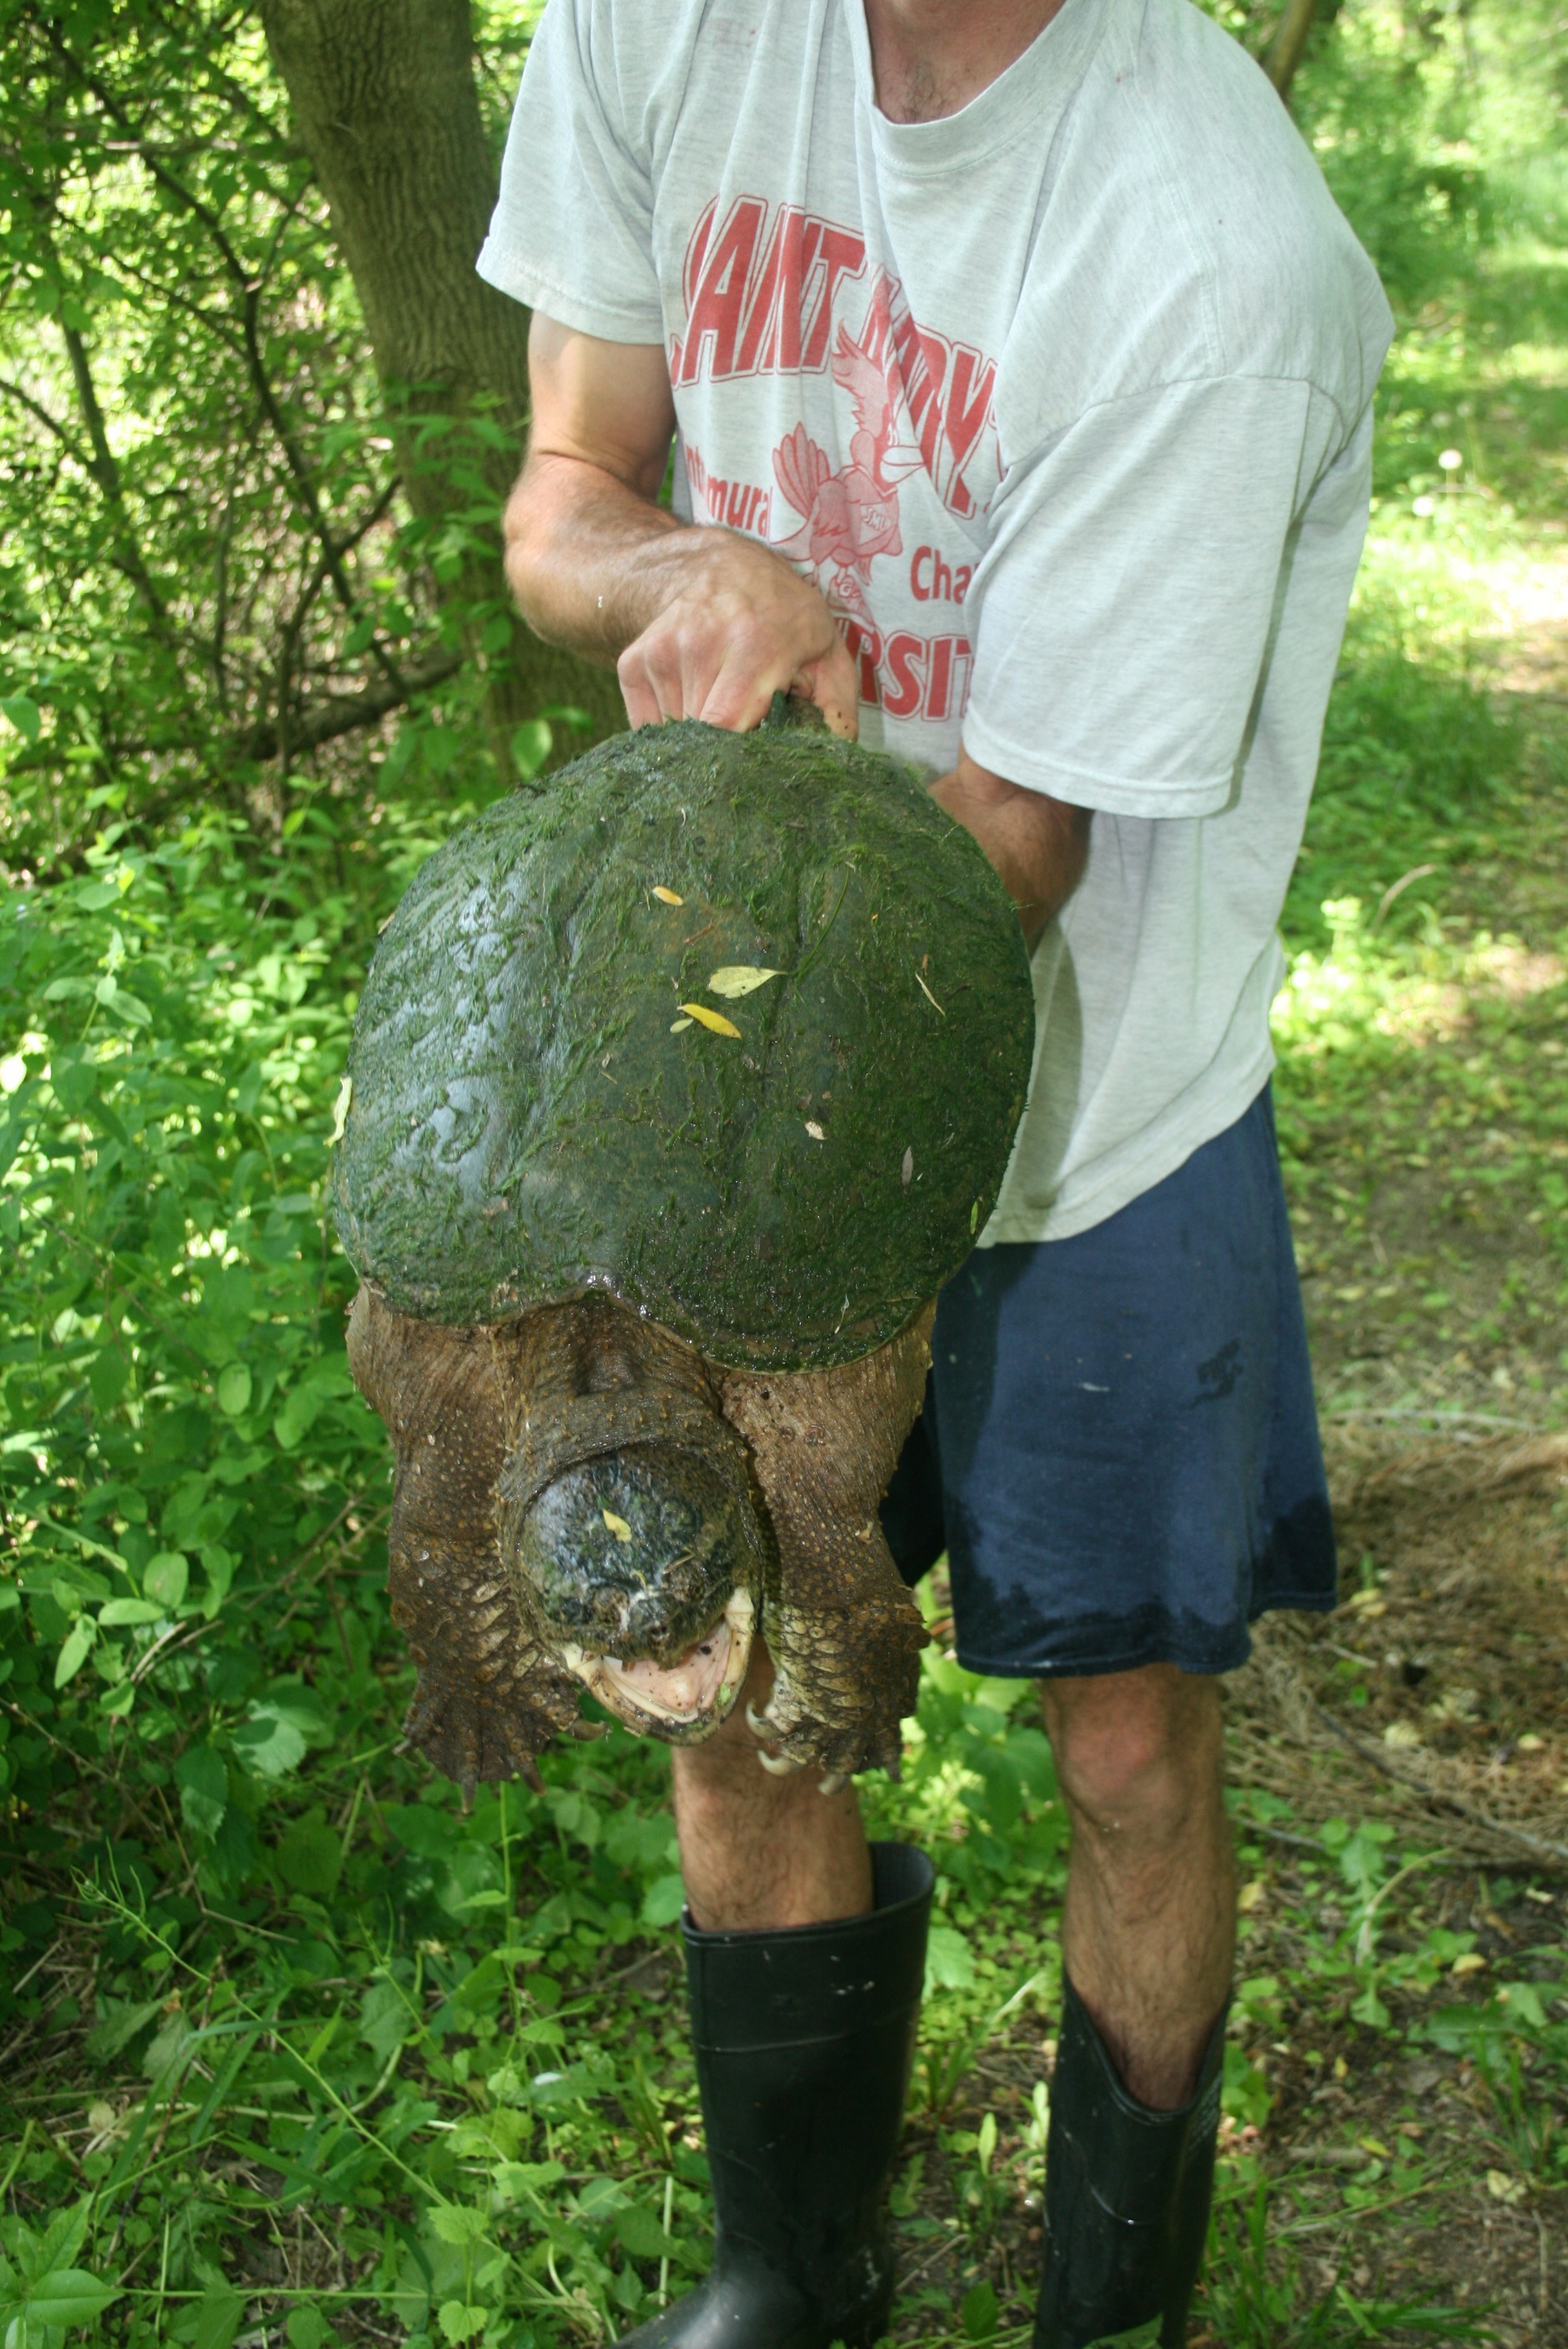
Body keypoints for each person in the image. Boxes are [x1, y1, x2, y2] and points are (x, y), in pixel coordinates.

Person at [478, 0, 1392, 2341]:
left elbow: (1004, 860)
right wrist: (697, 571)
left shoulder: (1205, 250)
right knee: (733, 1672)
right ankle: (797, 2276)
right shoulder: (660, 23)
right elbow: (560, 495)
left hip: (1099, 1116)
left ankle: (1117, 2312)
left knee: (1124, 1746)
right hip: (726, 1099)